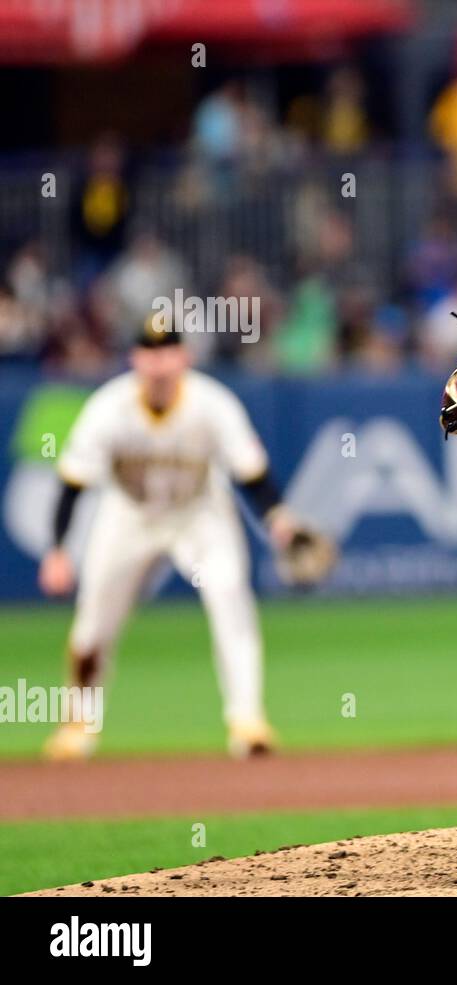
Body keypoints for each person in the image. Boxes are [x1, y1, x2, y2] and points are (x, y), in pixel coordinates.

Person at [38, 322, 298, 760]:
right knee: (95, 622)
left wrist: (276, 517)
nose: (158, 363)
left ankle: (248, 721)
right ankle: (78, 726)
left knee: (230, 597)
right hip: (129, 516)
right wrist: (59, 550)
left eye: (168, 352)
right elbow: (72, 485)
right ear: (134, 359)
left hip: (199, 515)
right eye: (149, 352)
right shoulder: (108, 408)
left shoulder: (213, 403)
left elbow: (250, 473)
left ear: (185, 358)